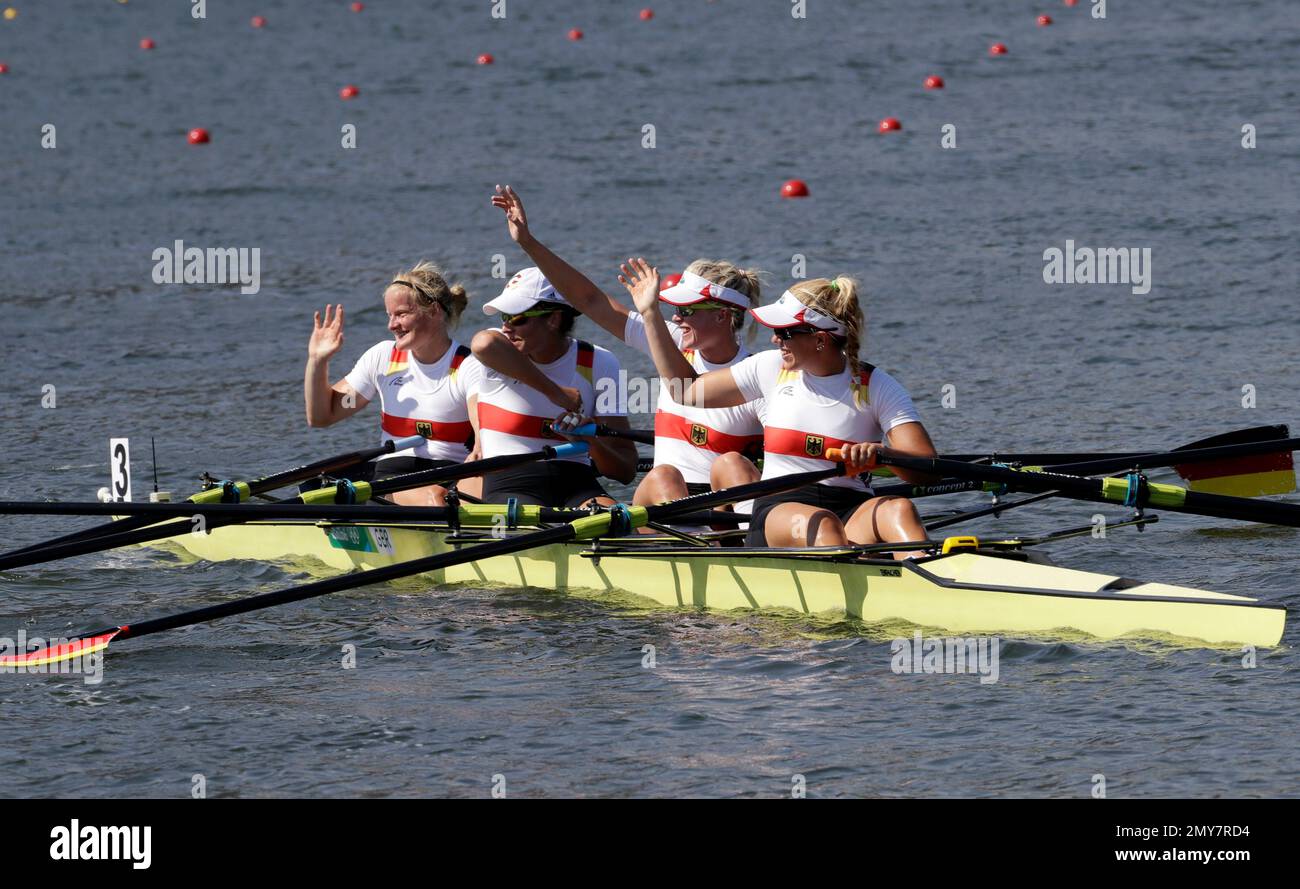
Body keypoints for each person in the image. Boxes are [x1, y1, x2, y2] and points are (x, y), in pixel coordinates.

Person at [621, 257, 938, 557]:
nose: (775, 340)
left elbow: (926, 468)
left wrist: (884, 454)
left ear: (820, 339)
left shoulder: (876, 385)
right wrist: (650, 313)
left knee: (899, 509)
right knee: (824, 525)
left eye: (785, 332)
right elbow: (687, 391)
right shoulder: (770, 368)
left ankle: (928, 584)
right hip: (779, 509)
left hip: (852, 505)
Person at [489, 185, 763, 514]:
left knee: (734, 465)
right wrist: (528, 243)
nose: (675, 317)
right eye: (674, 308)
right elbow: (590, 300)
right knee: (665, 477)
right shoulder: (668, 341)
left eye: (687, 310)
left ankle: (745, 542)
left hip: (724, 506)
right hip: (664, 504)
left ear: (722, 315)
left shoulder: (757, 374)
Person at [305, 261, 484, 506]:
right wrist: (317, 361)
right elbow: (322, 415)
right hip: (394, 477)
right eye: (389, 315)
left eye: (401, 314)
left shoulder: (467, 366)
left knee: (456, 493)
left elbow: (482, 430)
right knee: (434, 498)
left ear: (433, 311)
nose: (391, 325)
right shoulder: (383, 358)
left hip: (453, 476)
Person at [469, 267, 639, 508]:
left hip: (576, 483)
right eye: (503, 317)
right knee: (538, 524)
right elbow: (482, 343)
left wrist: (589, 438)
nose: (507, 327)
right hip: (511, 483)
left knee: (615, 521)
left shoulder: (598, 361)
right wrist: (558, 394)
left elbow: (625, 470)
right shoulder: (499, 355)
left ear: (553, 319)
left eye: (517, 318)